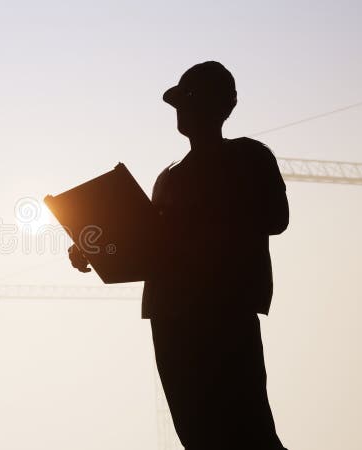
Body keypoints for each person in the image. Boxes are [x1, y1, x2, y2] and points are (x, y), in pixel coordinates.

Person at [69, 61, 289, 449]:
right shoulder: (170, 177)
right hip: (171, 315)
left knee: (248, 426)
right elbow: (149, 248)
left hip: (222, 310)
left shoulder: (249, 158)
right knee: (196, 432)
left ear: (222, 105)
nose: (183, 109)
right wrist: (99, 246)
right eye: (182, 101)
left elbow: (276, 218)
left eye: (191, 99)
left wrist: (198, 221)